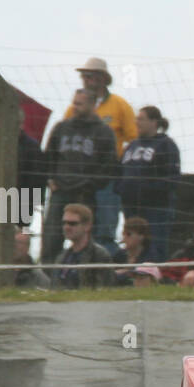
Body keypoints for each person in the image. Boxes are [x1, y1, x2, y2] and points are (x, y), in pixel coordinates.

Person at [65, 58, 136, 246]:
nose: (87, 80)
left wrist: (121, 159)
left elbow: (135, 139)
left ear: (104, 79)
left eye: (92, 76)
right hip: (77, 179)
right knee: (76, 228)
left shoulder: (120, 105)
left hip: (107, 177)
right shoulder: (73, 109)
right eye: (84, 76)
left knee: (104, 228)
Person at [43, 89, 119, 262]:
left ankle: (83, 275)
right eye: (74, 102)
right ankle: (49, 279)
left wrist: (90, 184)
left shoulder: (103, 132)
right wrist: (51, 178)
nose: (75, 107)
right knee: (51, 237)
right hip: (60, 191)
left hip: (84, 193)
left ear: (93, 105)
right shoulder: (61, 127)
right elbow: (49, 156)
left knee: (83, 238)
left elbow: (109, 165)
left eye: (79, 103)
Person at [116, 105, 181, 259]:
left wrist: (147, 189)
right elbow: (119, 172)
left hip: (156, 209)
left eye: (141, 119)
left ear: (154, 122)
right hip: (131, 206)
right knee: (132, 244)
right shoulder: (131, 146)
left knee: (155, 247)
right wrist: (121, 189)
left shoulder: (166, 144)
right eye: (136, 119)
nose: (137, 123)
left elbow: (172, 178)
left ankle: (154, 276)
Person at [52, 203, 114, 289]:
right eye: (64, 223)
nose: (66, 227)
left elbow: (105, 290)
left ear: (87, 226)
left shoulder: (99, 256)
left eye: (72, 223)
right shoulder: (61, 257)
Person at [111, 216, 159, 286]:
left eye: (128, 234)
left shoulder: (150, 255)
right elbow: (109, 275)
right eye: (123, 234)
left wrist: (124, 272)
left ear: (141, 236)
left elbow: (142, 275)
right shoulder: (120, 254)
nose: (124, 238)